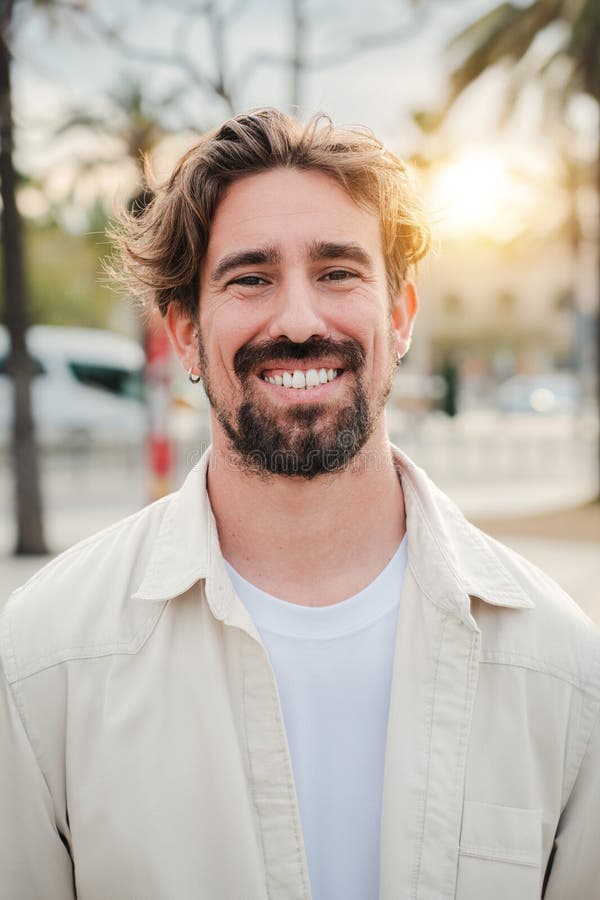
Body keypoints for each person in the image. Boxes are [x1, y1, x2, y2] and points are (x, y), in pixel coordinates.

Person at [1, 109, 598, 900]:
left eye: (338, 272)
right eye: (250, 278)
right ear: (183, 333)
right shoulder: (42, 665)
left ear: (400, 316)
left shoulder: (563, 672)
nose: (298, 320)